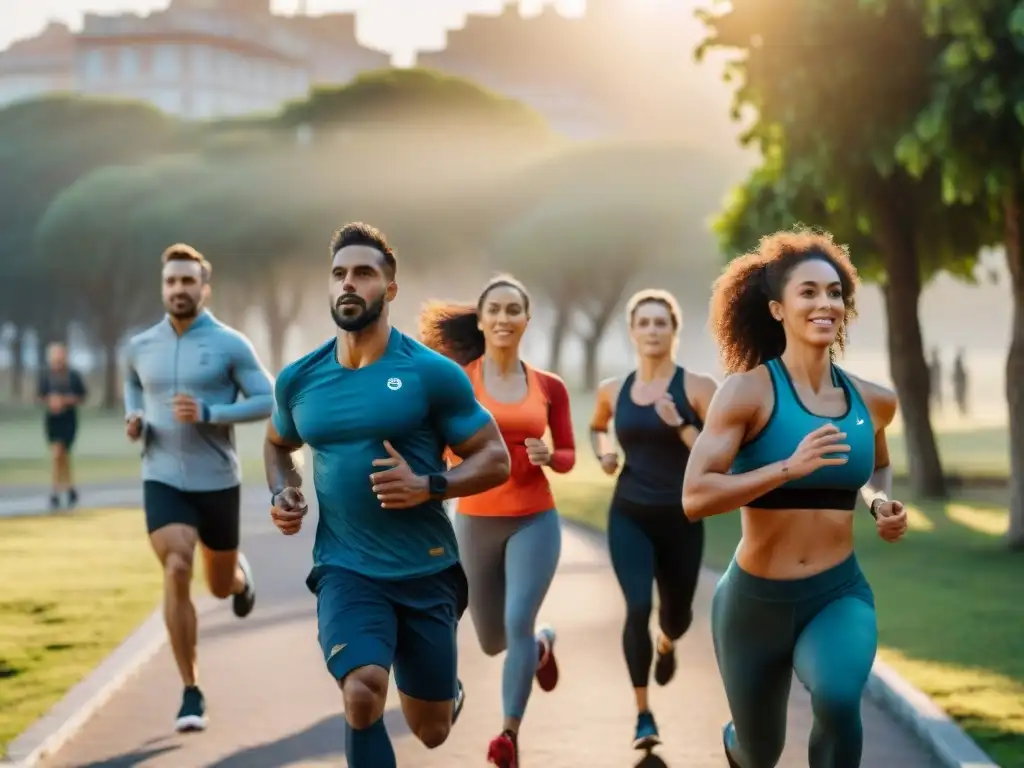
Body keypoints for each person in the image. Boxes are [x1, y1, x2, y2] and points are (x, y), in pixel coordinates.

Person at [264, 222, 511, 768]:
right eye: (339, 274)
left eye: (364, 273)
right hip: (345, 567)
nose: (349, 283)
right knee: (362, 692)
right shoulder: (299, 379)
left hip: (425, 569)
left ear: (389, 289)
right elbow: (278, 444)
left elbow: (496, 458)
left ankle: (445, 692)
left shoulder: (430, 373)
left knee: (431, 731)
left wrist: (428, 486)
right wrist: (284, 491)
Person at [681, 229, 910, 768]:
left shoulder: (873, 401)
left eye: (834, 292)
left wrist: (881, 505)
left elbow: (875, 466)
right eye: (808, 292)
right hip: (752, 605)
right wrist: (786, 468)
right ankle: (737, 744)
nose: (825, 303)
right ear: (777, 308)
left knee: (836, 697)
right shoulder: (747, 393)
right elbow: (695, 496)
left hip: (837, 595)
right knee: (759, 751)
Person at [419, 274, 575, 768]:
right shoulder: (460, 382)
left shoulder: (549, 387)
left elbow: (569, 454)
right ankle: (542, 644)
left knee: (516, 620)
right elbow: (441, 446)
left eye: (514, 310)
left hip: (535, 519)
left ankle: (507, 737)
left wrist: (552, 455)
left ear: (526, 321)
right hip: (477, 519)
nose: (504, 319)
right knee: (492, 641)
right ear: (481, 321)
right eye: (496, 310)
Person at [123, 243, 270, 733]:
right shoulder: (141, 345)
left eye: (188, 281)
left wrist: (212, 413)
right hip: (162, 476)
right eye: (171, 281)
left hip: (217, 482)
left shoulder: (230, 344)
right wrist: (136, 418)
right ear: (162, 287)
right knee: (177, 565)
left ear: (203, 288)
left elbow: (267, 400)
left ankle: (240, 579)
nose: (179, 289)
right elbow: (132, 385)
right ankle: (191, 690)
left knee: (219, 584)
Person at [588, 289, 717, 752]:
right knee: (637, 607)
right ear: (632, 331)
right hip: (630, 515)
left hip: (683, 518)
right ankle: (643, 714)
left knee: (677, 617)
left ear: (674, 330)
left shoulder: (698, 388)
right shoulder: (613, 389)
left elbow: (720, 454)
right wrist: (605, 456)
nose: (652, 330)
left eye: (661, 322)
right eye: (644, 323)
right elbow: (598, 426)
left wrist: (680, 422)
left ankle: (667, 643)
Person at [37, 342, 88, 510]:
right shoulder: (46, 375)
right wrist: (51, 401)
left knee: (63, 454)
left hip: (69, 419)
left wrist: (65, 401)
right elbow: (40, 395)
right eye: (55, 355)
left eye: (60, 354)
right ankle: (64, 490)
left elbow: (82, 396)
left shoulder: (73, 376)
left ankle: (61, 491)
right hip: (52, 420)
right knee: (57, 454)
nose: (58, 358)